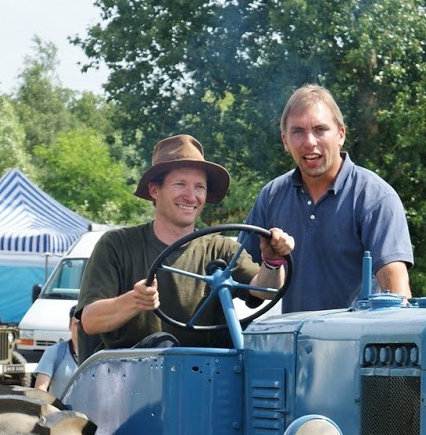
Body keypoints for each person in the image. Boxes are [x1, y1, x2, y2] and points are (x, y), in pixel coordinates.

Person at [78, 135, 294, 357]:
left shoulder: (219, 249)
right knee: (163, 346)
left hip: (208, 374)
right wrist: (134, 300)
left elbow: (266, 291)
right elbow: (91, 321)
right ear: (154, 190)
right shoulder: (117, 245)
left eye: (199, 187)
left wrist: (273, 260)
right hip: (131, 376)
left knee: (251, 343)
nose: (191, 196)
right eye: (180, 184)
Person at [243, 85, 413, 312]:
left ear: (341, 134)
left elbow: (396, 292)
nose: (310, 142)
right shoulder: (271, 196)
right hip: (292, 343)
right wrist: (271, 263)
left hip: (355, 342)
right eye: (298, 132)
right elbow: (248, 284)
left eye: (320, 129)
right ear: (285, 141)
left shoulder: (375, 197)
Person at [35, 304, 82, 394]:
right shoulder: (54, 352)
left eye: (84, 324)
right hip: (59, 408)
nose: (80, 328)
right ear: (70, 325)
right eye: (77, 324)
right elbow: (40, 389)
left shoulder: (98, 354)